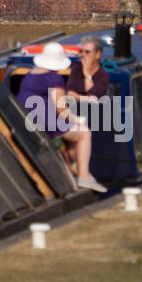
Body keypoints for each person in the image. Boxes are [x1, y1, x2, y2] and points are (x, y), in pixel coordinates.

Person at [15, 42, 108, 193]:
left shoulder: (29, 75)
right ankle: (84, 177)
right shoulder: (54, 79)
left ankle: (75, 168)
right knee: (84, 133)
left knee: (73, 139)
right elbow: (61, 109)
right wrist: (77, 120)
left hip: (27, 120)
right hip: (45, 123)